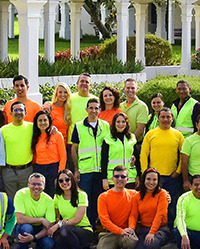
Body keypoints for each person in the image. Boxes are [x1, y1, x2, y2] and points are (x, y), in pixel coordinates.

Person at [141, 107, 184, 223]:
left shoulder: (178, 135)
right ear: (158, 118)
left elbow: (183, 156)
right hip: (154, 178)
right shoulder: (151, 134)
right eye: (163, 117)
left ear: (172, 118)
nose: (165, 119)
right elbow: (144, 154)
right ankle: (153, 226)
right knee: (153, 204)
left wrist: (178, 171)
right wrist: (145, 173)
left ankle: (169, 228)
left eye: (168, 117)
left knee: (171, 205)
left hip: (172, 177)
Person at [94, 165, 139, 249]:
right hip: (109, 233)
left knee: (132, 240)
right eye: (117, 176)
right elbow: (104, 220)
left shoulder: (133, 195)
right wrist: (120, 231)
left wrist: (131, 228)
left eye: (123, 177)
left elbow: (134, 214)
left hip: (126, 233)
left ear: (127, 179)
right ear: (112, 179)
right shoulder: (103, 197)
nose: (120, 179)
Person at [70, 98, 106, 228]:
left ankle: (97, 228)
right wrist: (76, 169)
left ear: (100, 110)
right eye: (91, 108)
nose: (93, 111)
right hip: (85, 170)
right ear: (86, 109)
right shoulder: (78, 126)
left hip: (101, 170)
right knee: (86, 201)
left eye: (96, 108)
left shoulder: (106, 126)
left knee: (99, 200)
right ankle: (86, 227)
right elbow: (74, 148)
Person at [47, 169, 92, 249]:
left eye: (67, 179)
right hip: (66, 232)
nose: (64, 183)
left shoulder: (81, 195)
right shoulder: (57, 197)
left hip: (83, 230)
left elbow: (77, 219)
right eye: (61, 181)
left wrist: (58, 225)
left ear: (72, 180)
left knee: (65, 229)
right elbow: (57, 217)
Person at [13, 173, 56, 249]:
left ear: (44, 186)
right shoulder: (20, 194)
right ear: (28, 185)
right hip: (23, 226)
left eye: (39, 184)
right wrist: (41, 219)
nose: (36, 187)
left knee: (49, 243)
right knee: (26, 228)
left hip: (40, 229)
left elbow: (50, 226)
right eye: (33, 184)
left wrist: (34, 237)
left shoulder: (49, 200)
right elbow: (19, 219)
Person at [131, 168, 171, 249]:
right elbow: (133, 215)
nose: (151, 182)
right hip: (143, 229)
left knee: (151, 243)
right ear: (143, 180)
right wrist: (131, 229)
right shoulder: (137, 196)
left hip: (160, 229)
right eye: (148, 179)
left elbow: (160, 215)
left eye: (154, 180)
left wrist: (152, 232)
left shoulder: (162, 194)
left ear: (158, 181)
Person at [0, 101, 34, 197]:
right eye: (16, 110)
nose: (18, 112)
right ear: (11, 113)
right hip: (9, 171)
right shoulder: (3, 130)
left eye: (21, 110)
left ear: (25, 113)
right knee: (11, 200)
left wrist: (53, 128)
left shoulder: (32, 127)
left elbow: (46, 128)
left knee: (25, 199)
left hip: (26, 170)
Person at [31, 110, 66, 193]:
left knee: (53, 194)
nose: (43, 123)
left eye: (45, 120)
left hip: (53, 168)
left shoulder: (57, 135)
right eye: (40, 120)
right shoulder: (34, 135)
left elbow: (63, 156)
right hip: (39, 168)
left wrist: (60, 174)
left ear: (49, 121)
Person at [101, 111, 138, 188]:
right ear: (114, 123)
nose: (121, 124)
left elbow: (137, 157)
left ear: (126, 123)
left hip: (129, 178)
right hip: (114, 178)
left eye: (123, 122)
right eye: (118, 122)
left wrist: (138, 176)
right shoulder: (107, 139)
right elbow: (104, 160)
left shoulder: (132, 138)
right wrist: (104, 178)